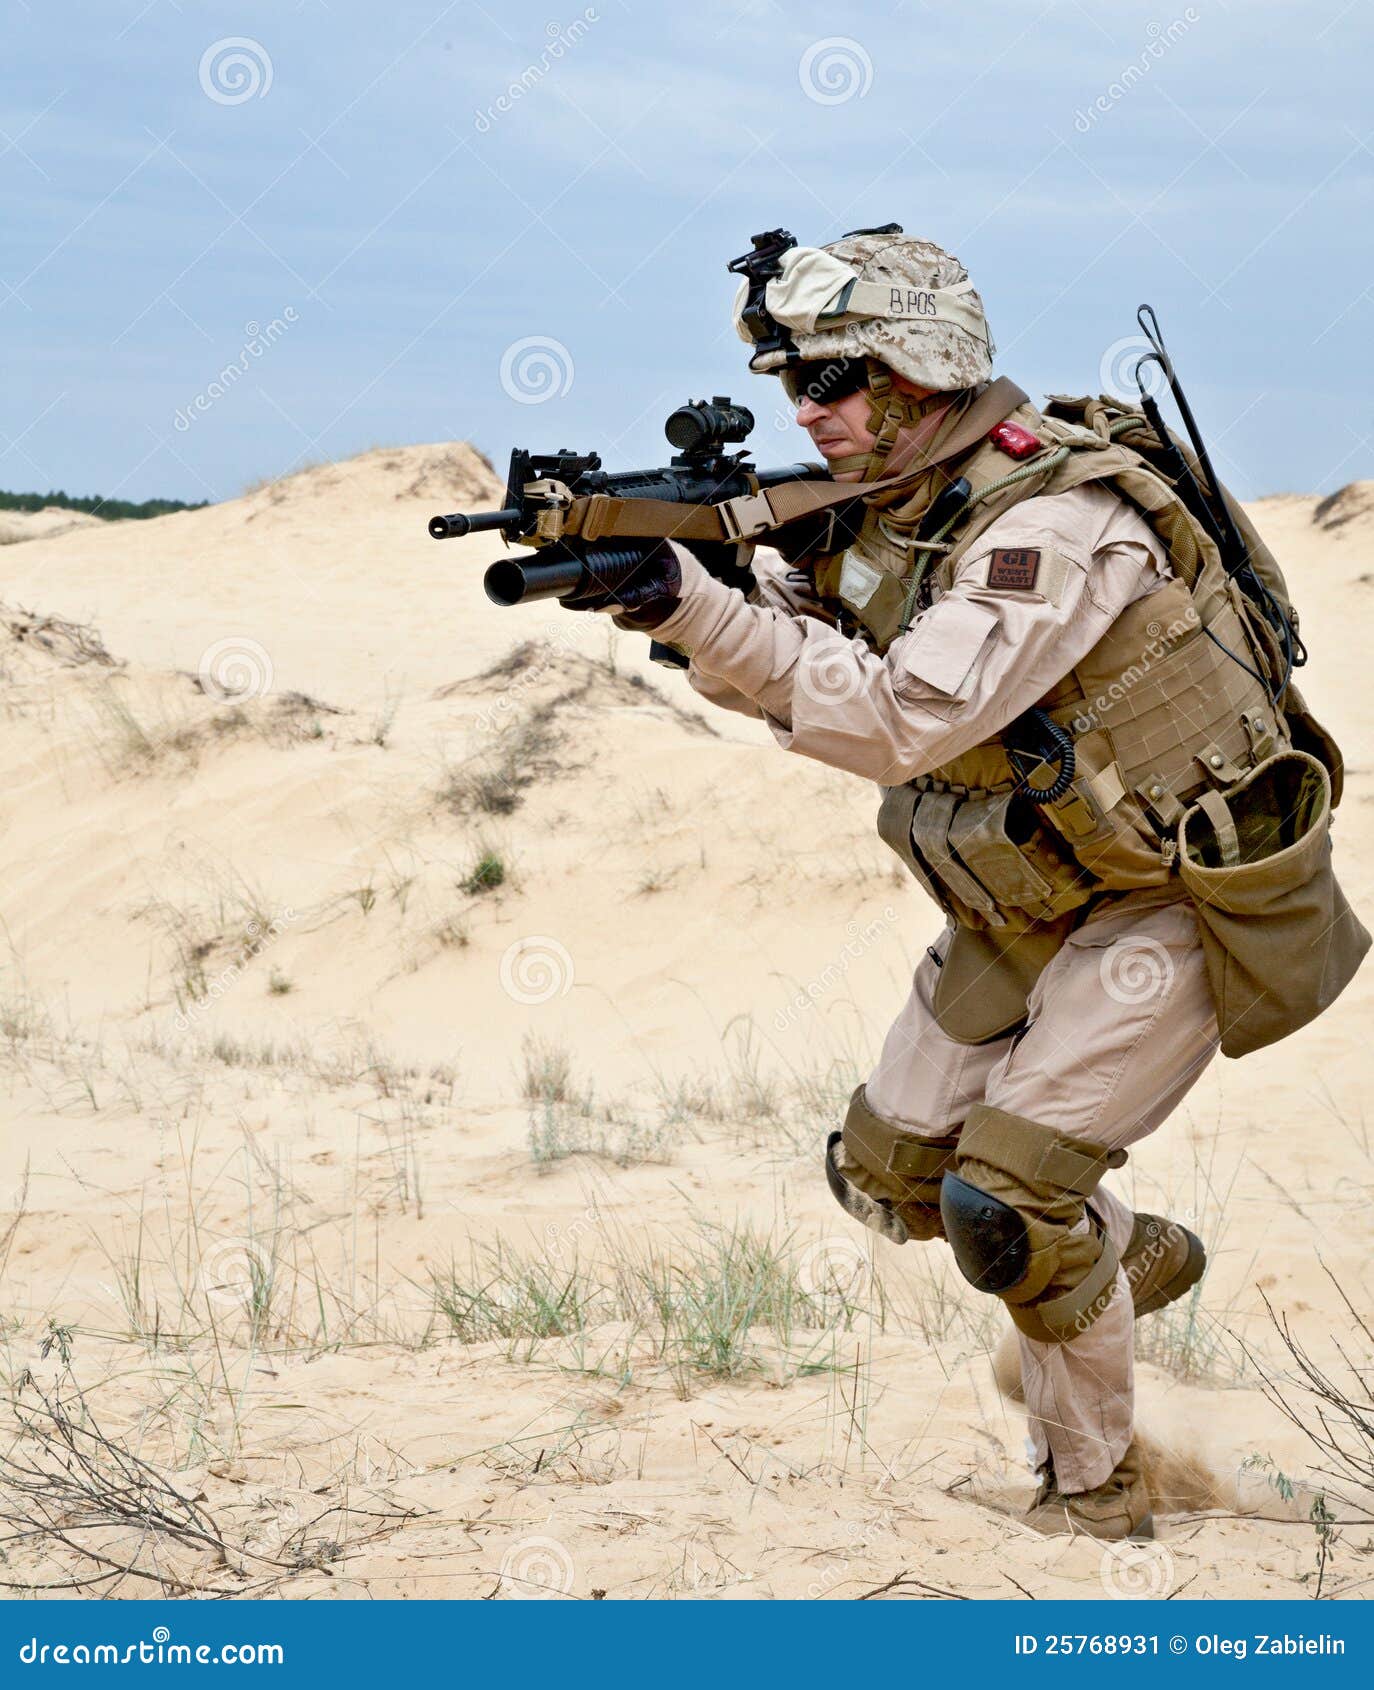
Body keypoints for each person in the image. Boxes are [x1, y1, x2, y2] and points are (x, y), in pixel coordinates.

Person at [560, 225, 1367, 1540]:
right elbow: (818, 648)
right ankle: (1108, 1260)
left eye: (834, 379)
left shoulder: (1048, 520)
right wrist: (695, 601)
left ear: (921, 372)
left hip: (1166, 894)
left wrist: (699, 613)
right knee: (887, 1173)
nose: (806, 411)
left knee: (1005, 1202)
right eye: (792, 385)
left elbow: (899, 722)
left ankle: (1096, 1487)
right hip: (1030, 890)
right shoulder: (896, 508)